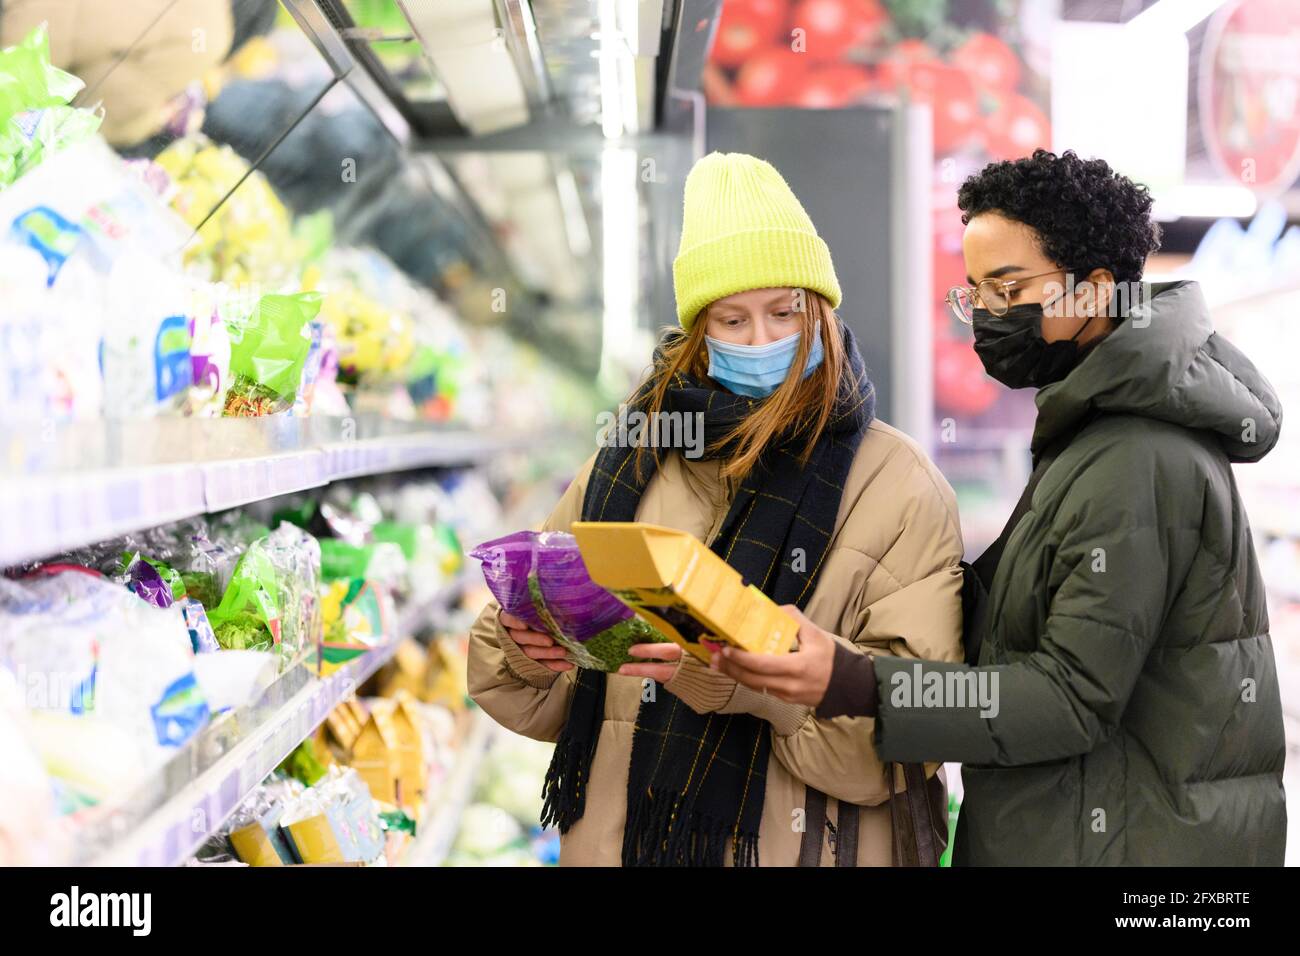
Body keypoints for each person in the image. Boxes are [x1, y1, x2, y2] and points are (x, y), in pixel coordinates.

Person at [716, 149, 1287, 866]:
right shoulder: (1098, 432)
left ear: (1095, 289)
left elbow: (1070, 698)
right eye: (975, 293)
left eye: (1008, 289)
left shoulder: (1137, 456)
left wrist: (853, 681)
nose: (985, 317)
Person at [468, 152, 964, 866]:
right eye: (732, 319)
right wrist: (525, 648)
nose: (764, 342)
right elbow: (530, 700)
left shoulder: (897, 486)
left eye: (784, 311)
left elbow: (911, 740)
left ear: (820, 308)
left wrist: (755, 682)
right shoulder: (630, 462)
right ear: (700, 333)